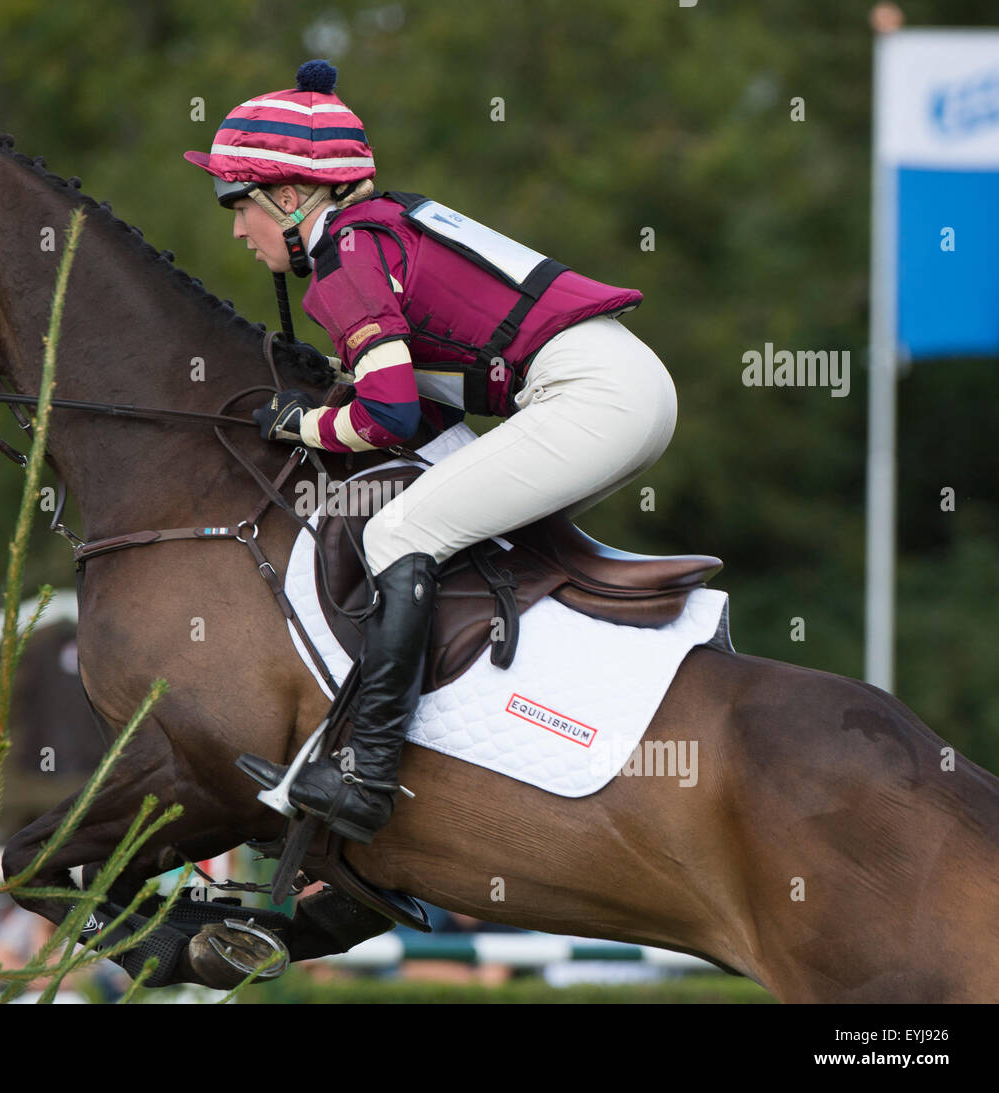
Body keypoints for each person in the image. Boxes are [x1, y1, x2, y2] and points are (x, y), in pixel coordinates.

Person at [185, 61, 677, 845]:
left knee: (398, 533)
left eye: (237, 204)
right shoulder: (382, 226)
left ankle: (368, 776)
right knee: (449, 525)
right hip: (622, 385)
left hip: (592, 396)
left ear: (288, 197)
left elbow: (386, 411)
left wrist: (300, 427)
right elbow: (411, 408)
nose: (236, 230)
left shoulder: (347, 251)